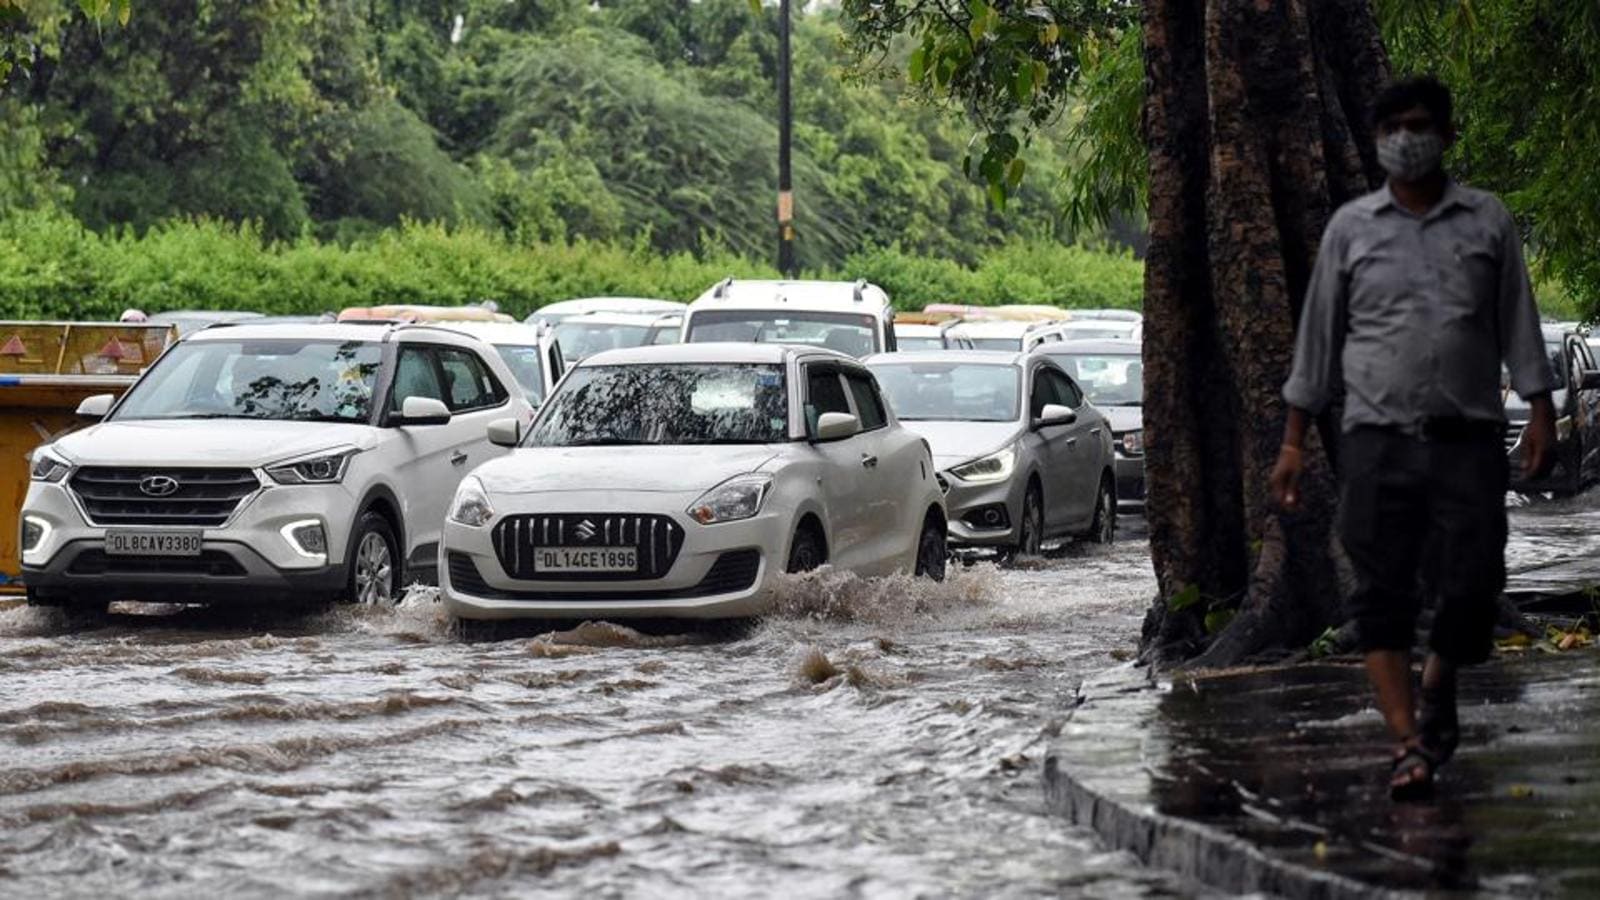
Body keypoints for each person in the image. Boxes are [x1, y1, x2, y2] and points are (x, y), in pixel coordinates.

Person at [1270, 76, 1558, 801]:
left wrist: (1542, 408)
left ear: (1447, 134)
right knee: (1381, 591)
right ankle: (1407, 744)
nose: (1407, 136)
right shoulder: (1351, 230)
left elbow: (1518, 323)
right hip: (1376, 441)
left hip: (1467, 440)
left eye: (1420, 123)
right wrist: (1294, 441)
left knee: (1473, 583)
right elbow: (1317, 342)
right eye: (1393, 126)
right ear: (1377, 141)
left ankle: (1439, 685)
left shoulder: (1487, 222)